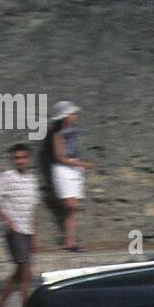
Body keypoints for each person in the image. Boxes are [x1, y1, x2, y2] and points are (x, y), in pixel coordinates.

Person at [0, 143, 41, 307]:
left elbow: (32, 209)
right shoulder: (6, 177)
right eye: (16, 158)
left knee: (21, 272)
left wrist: (34, 236)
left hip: (27, 231)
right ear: (12, 160)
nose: (20, 161)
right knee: (25, 273)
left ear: (29, 159)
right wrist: (5, 218)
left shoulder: (32, 180)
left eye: (23, 157)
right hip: (13, 230)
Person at [48, 101, 92, 252]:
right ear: (65, 116)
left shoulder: (75, 130)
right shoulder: (57, 133)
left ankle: (70, 241)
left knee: (72, 210)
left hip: (75, 168)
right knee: (71, 205)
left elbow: (75, 150)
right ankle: (70, 241)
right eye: (73, 113)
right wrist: (81, 165)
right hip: (64, 170)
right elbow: (59, 156)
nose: (75, 116)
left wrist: (80, 164)